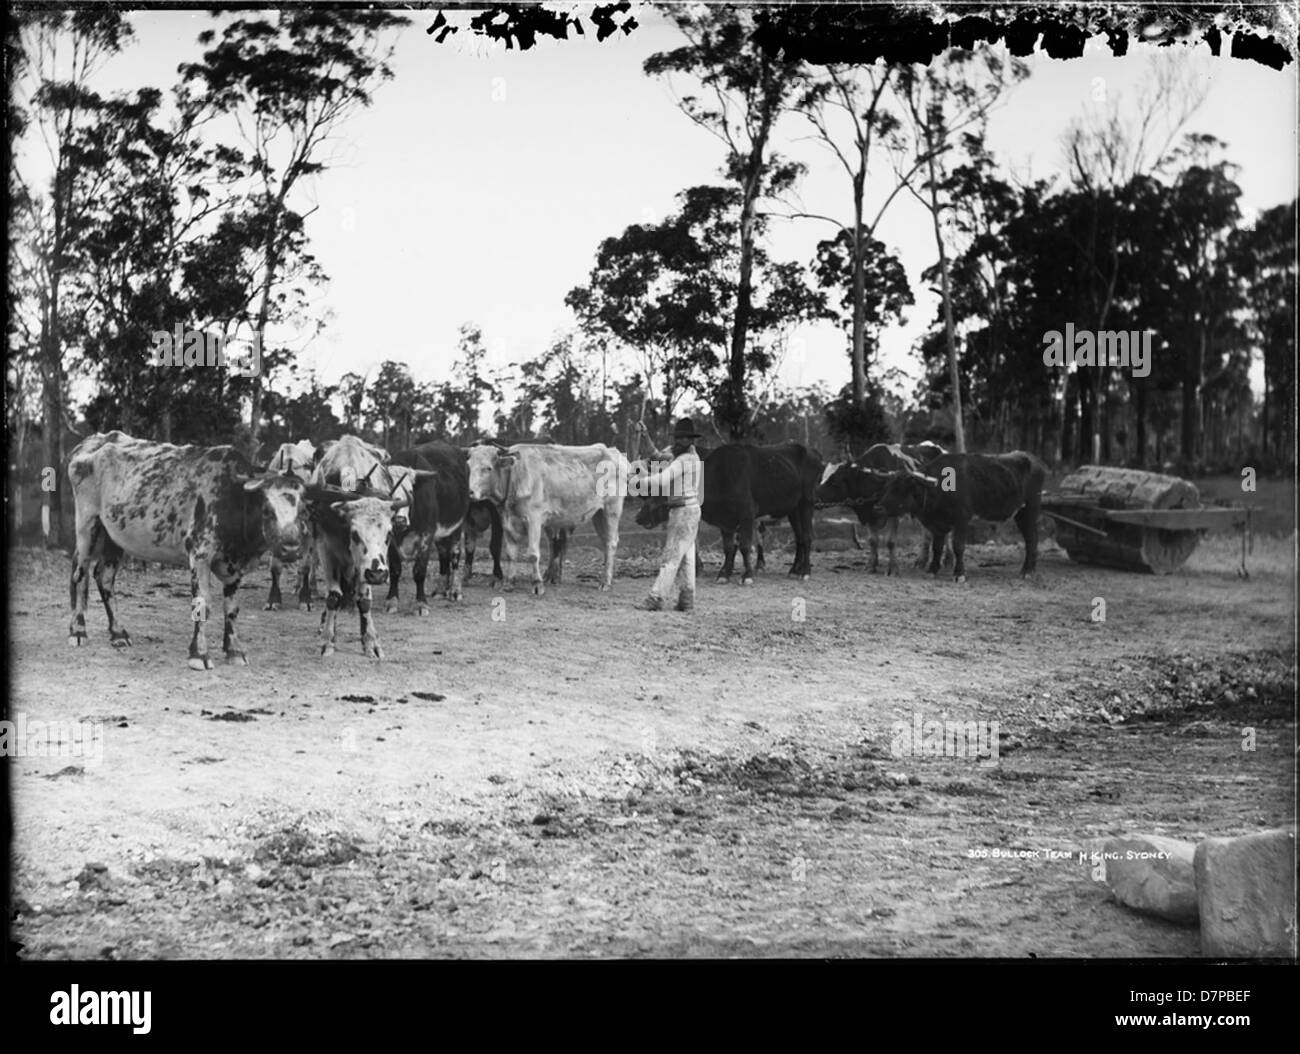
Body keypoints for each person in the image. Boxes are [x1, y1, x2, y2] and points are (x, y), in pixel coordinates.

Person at [638, 418, 704, 612]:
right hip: (688, 510)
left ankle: (656, 597)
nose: (680, 441)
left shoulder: (686, 459)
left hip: (683, 512)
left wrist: (638, 480)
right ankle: (686, 598)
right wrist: (645, 435)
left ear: (691, 440)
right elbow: (657, 456)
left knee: (671, 557)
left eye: (684, 438)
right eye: (678, 437)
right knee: (687, 557)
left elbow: (662, 479)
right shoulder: (680, 454)